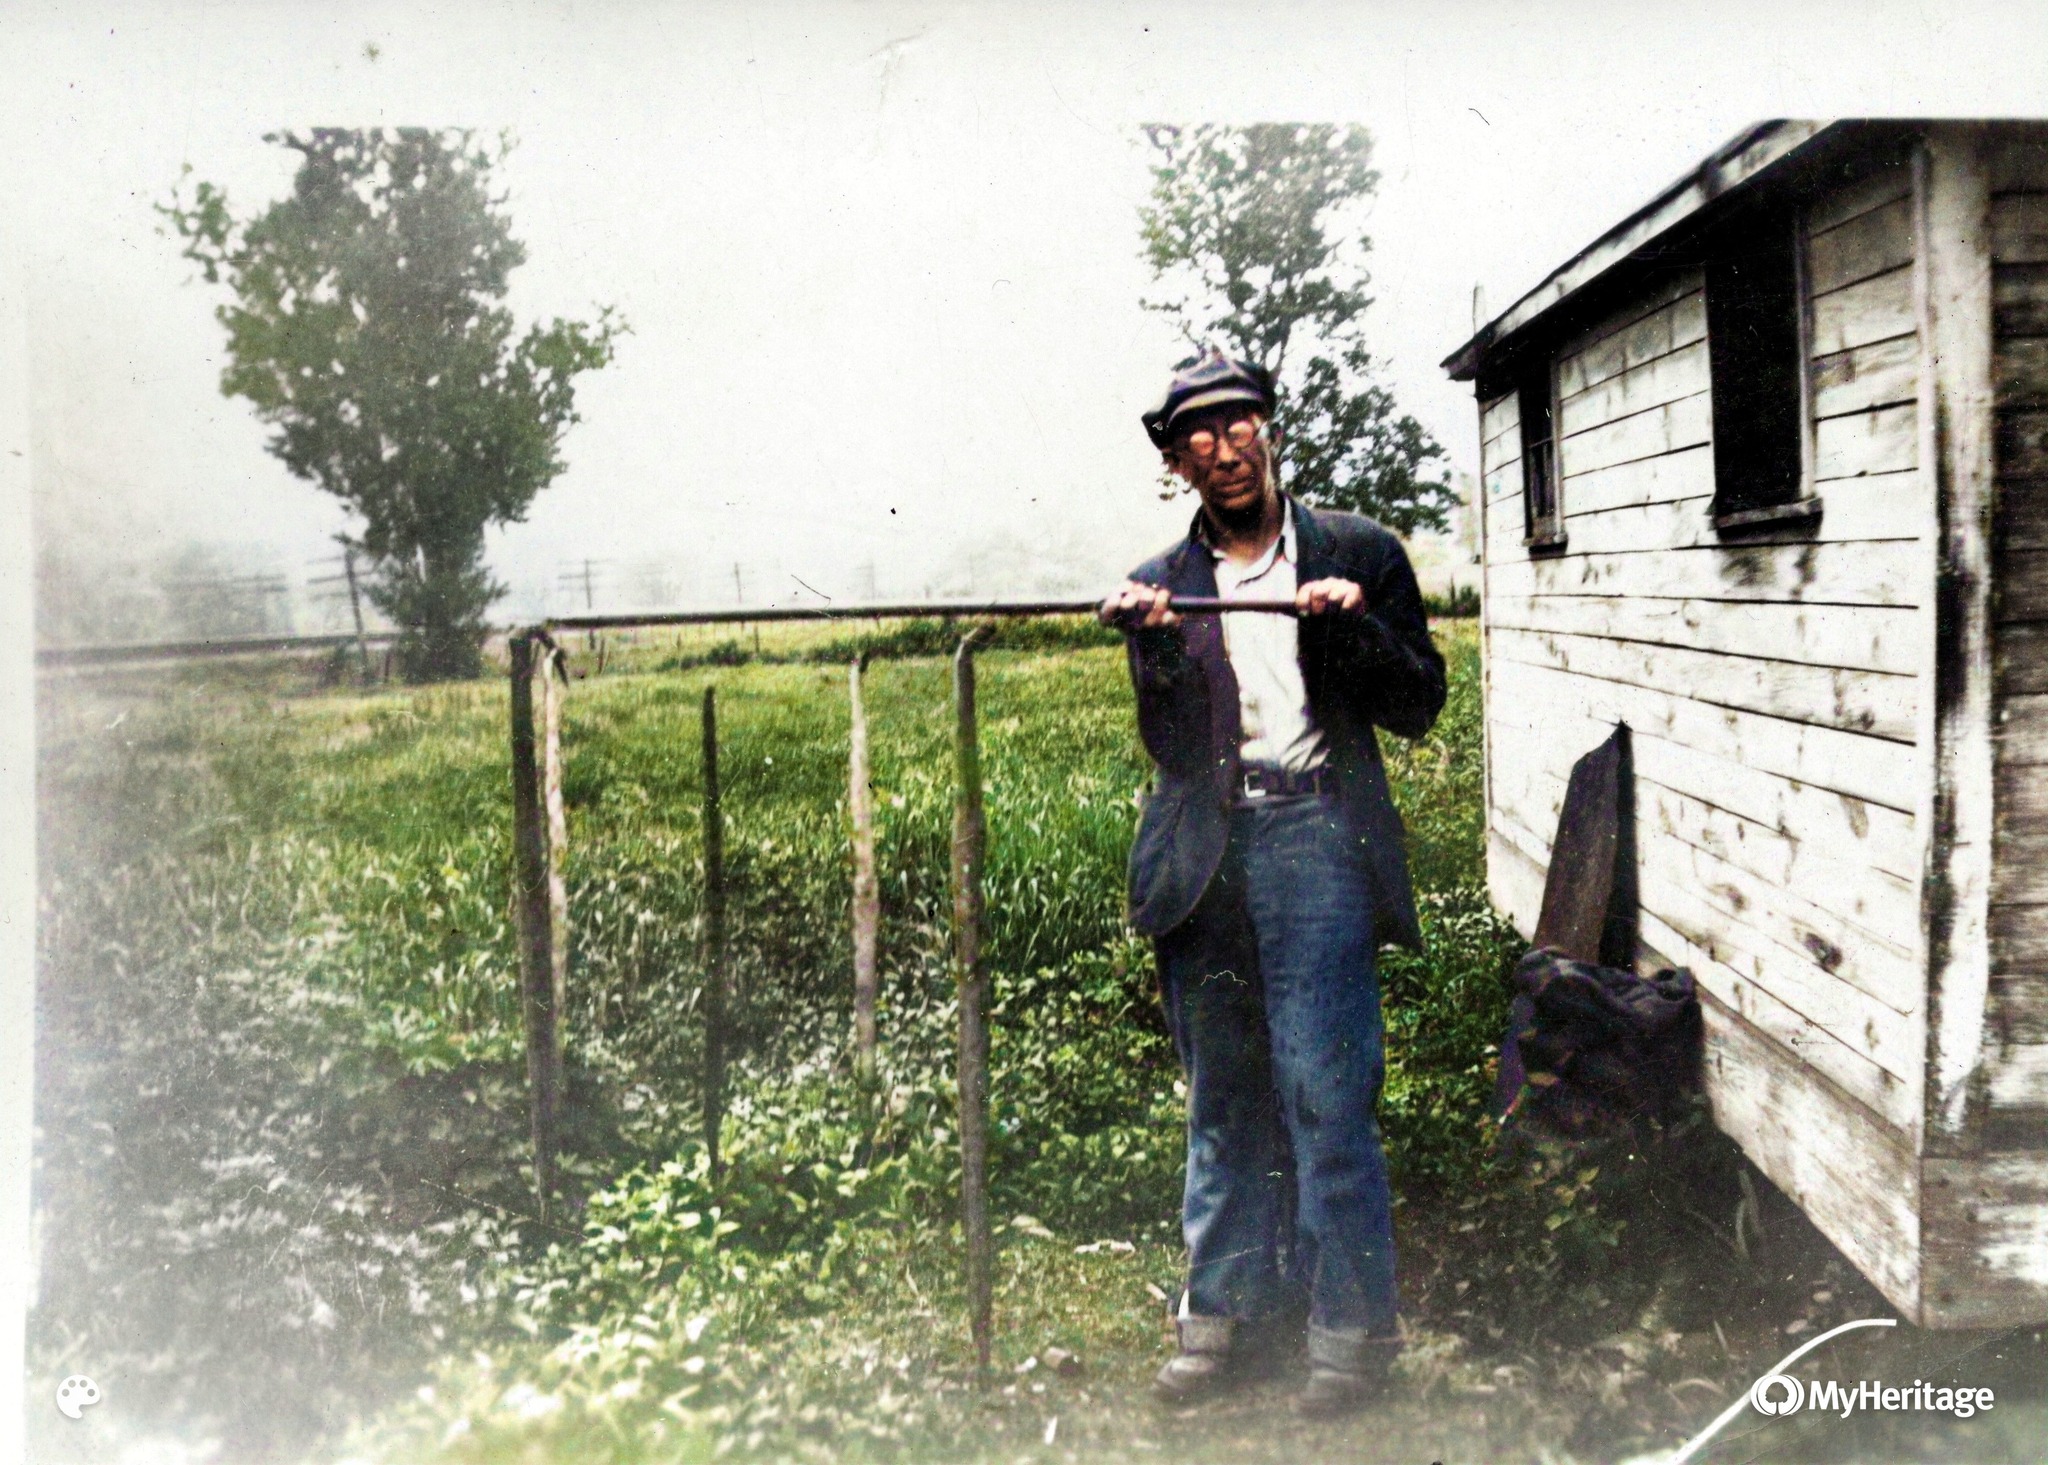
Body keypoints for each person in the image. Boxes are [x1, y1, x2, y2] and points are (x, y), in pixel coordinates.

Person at [1099, 350, 1447, 1416]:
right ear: (1174, 460)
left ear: (1267, 427)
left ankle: (1349, 1334)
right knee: (1221, 1099)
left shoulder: (1356, 550)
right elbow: (1169, 745)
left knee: (1323, 1092)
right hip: (1206, 850)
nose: (1224, 445)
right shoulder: (1165, 578)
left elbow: (1417, 704)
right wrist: (1153, 651)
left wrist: (1352, 625)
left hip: (1314, 840)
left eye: (1238, 420)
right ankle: (1220, 1322)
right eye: (1196, 433)